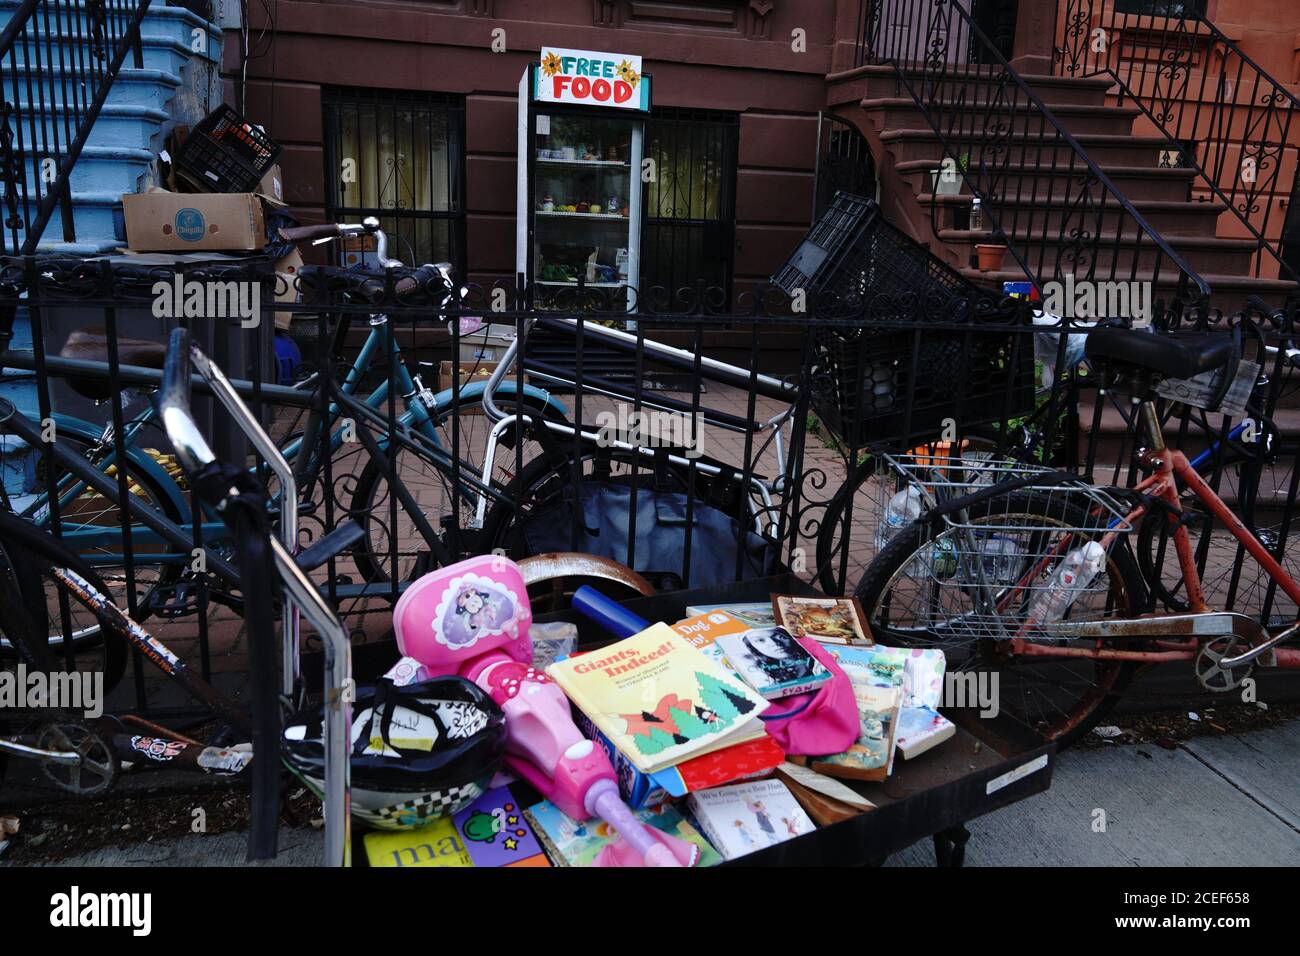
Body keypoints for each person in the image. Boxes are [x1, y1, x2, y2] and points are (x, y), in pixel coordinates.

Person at [741, 627, 814, 685]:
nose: (774, 643)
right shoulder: (760, 672)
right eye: (760, 640)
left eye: (779, 636)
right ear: (752, 647)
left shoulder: (814, 658)